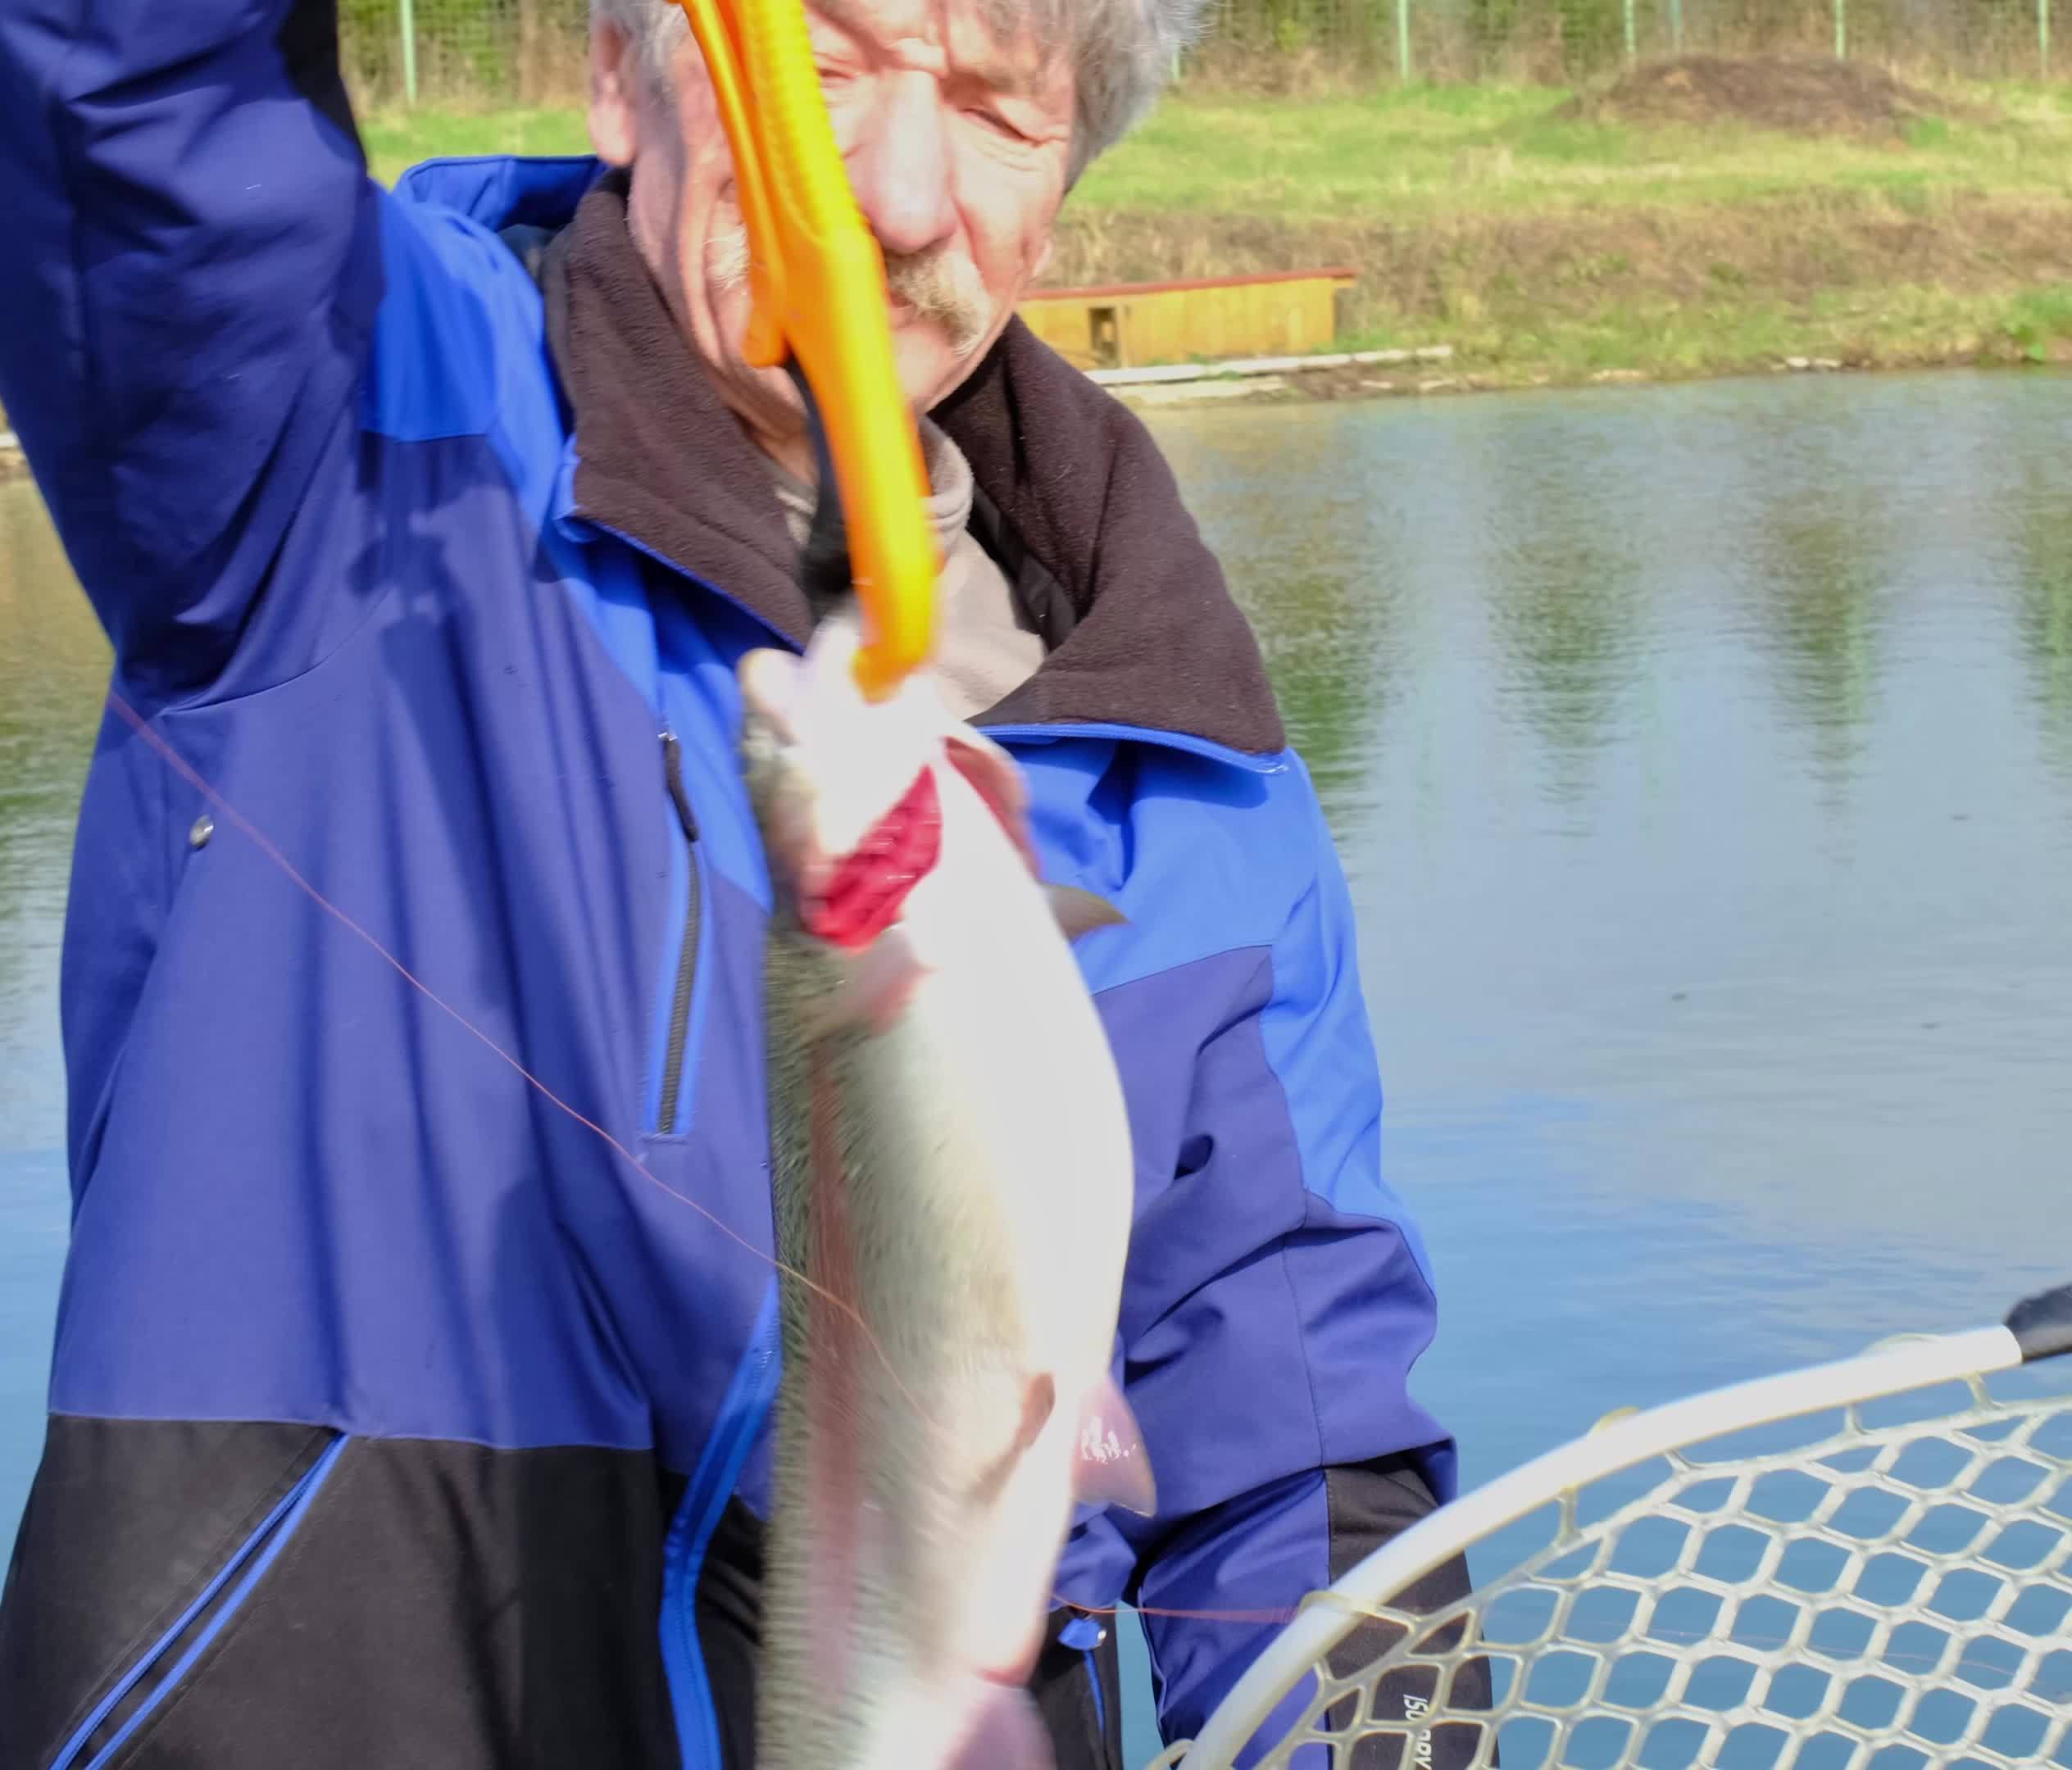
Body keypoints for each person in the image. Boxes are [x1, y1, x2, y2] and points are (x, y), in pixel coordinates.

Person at [0, 1, 1471, 1764]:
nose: (900, 196)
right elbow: (124, 85)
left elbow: (1299, 1468)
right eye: (820, 75)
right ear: (625, 77)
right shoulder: (337, 424)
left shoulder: (1195, 771)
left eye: (1002, 112)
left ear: (1066, 185)